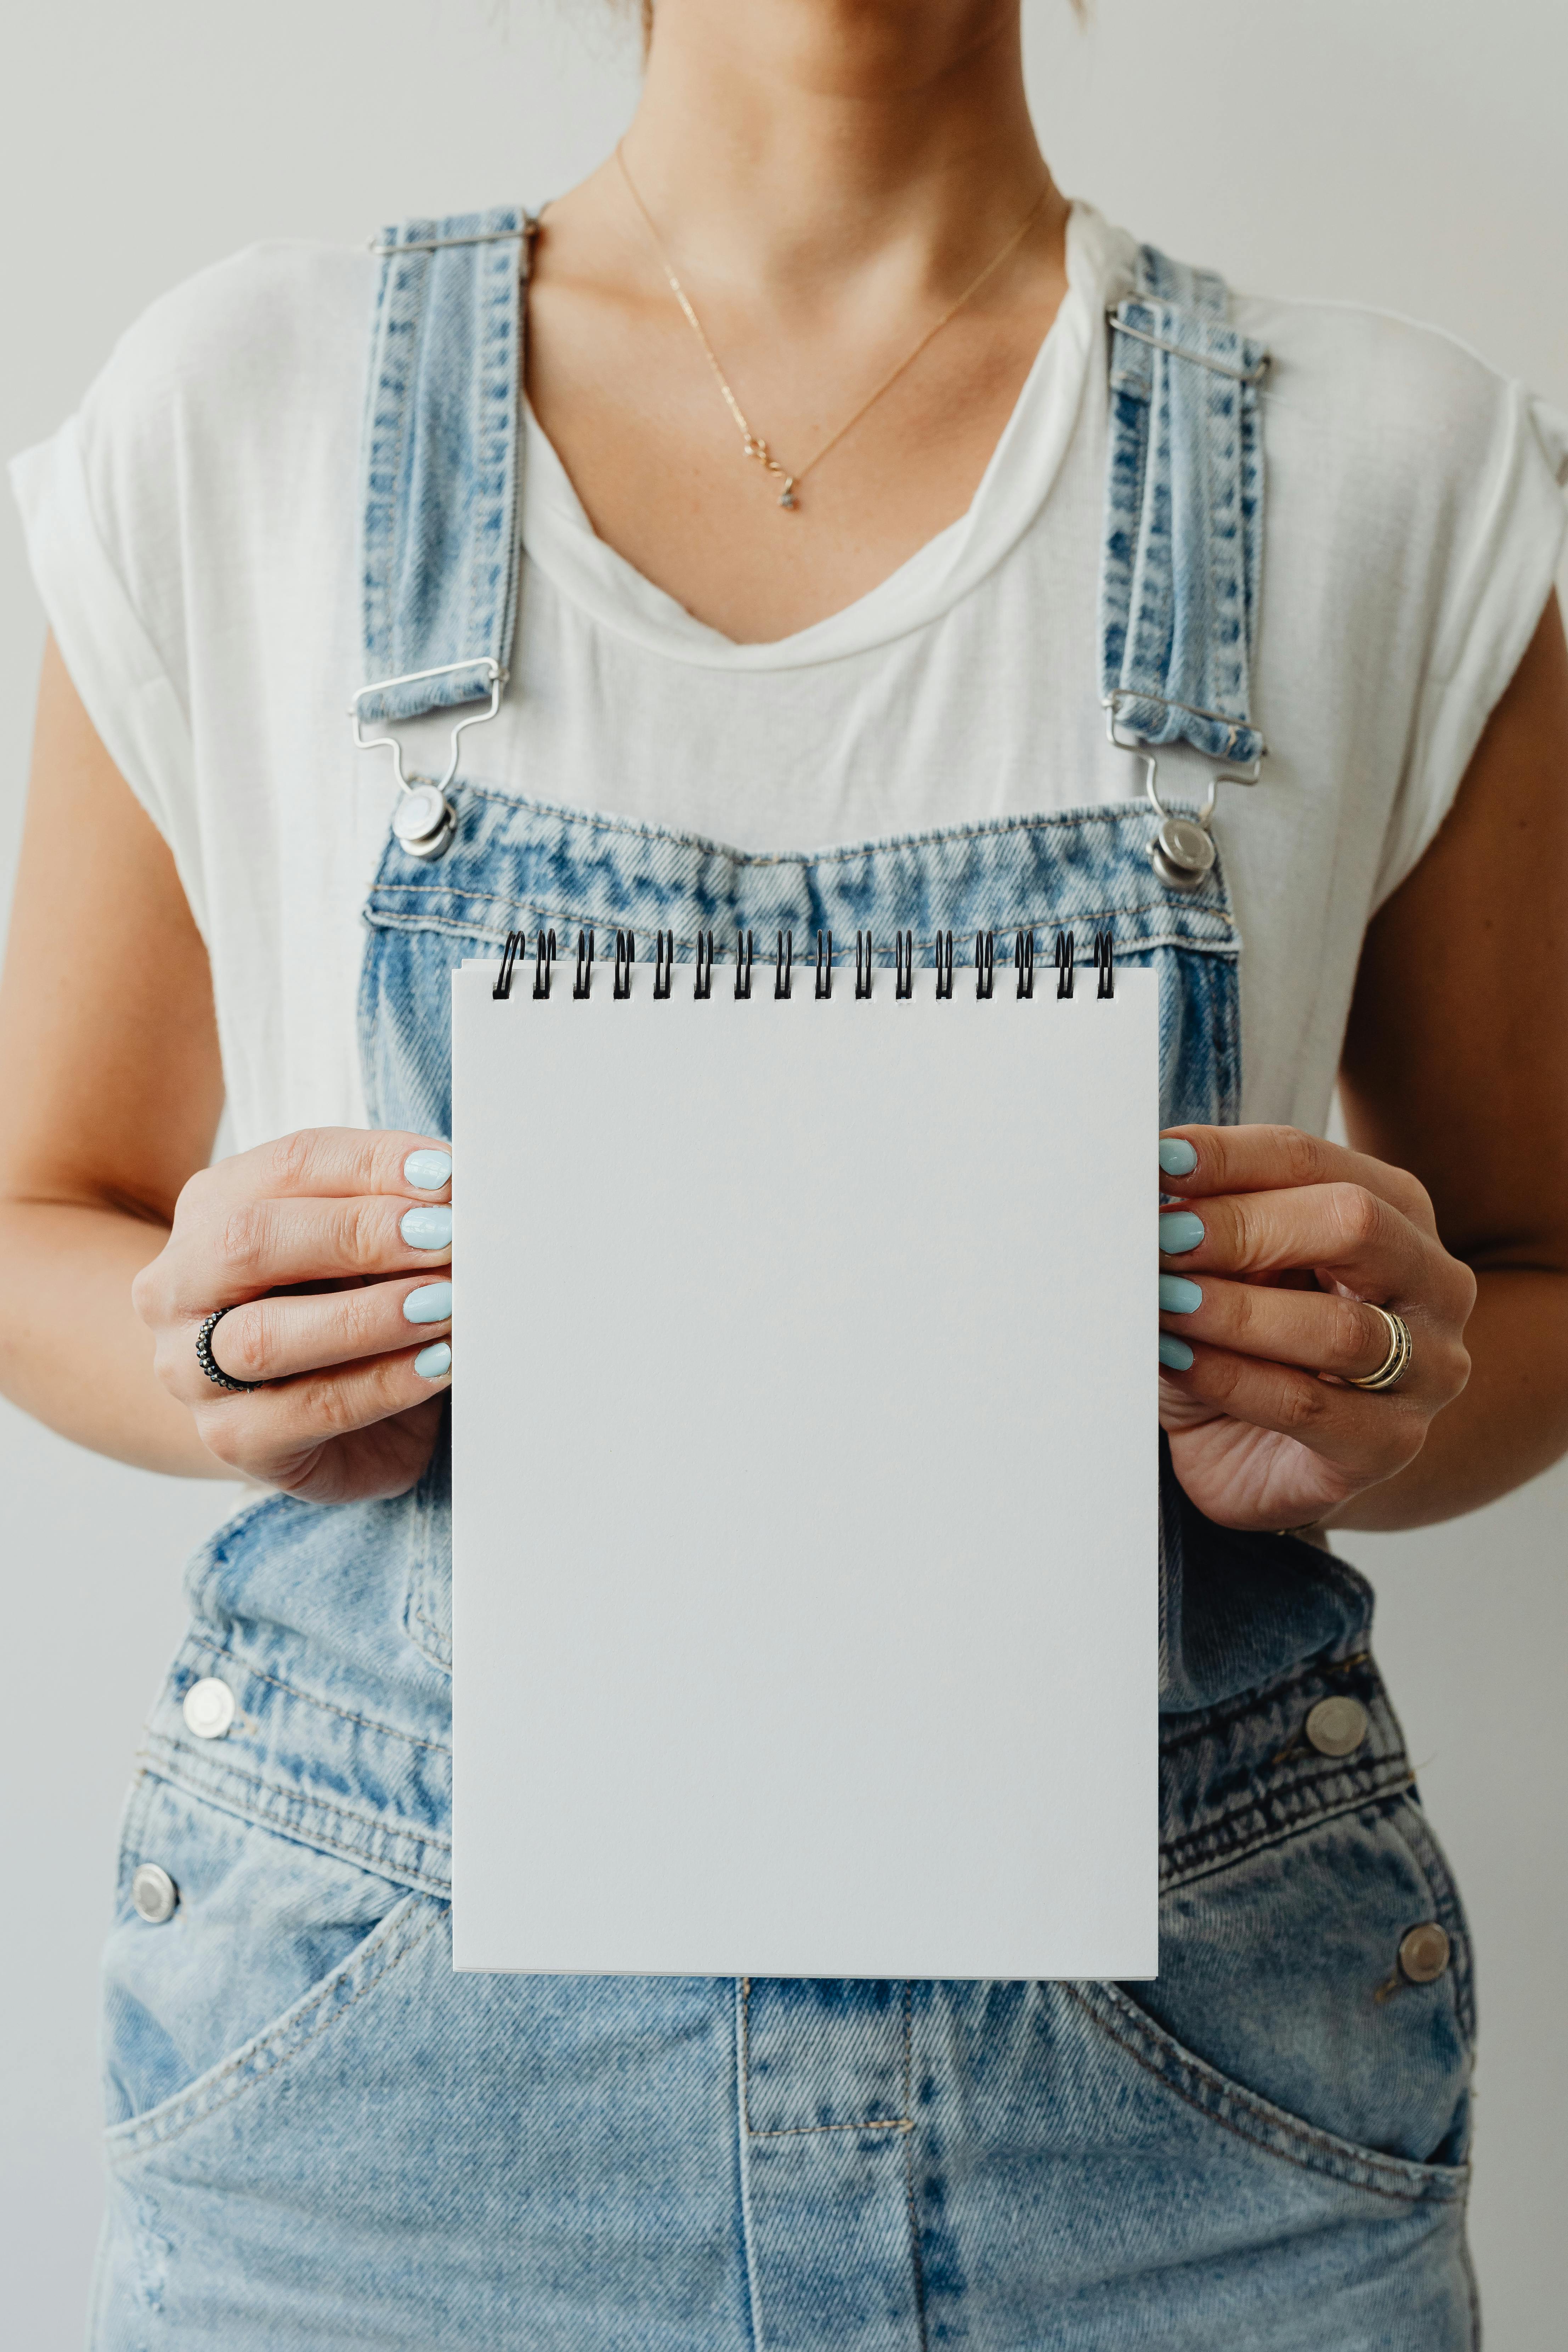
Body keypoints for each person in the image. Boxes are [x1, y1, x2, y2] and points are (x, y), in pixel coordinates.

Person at [4, 0, 1566, 2343]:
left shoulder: (1396, 466)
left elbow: (1541, 1271)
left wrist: (1401, 1385)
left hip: (1203, 2144)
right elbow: (44, 1215)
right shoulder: (250, 409)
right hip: (383, 2160)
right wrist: (214, 1358)